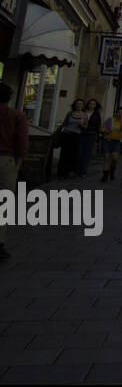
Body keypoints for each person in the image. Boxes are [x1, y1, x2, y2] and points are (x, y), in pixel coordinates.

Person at [0, 84, 30, 261]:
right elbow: (22, 140)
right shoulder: (16, 115)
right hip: (6, 160)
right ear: (10, 97)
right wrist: (20, 159)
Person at [57, 99, 86, 179]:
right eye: (77, 104)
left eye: (81, 104)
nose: (79, 105)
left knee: (73, 154)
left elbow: (86, 126)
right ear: (75, 105)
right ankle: (61, 172)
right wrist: (64, 129)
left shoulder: (84, 115)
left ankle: (70, 171)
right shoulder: (70, 113)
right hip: (67, 135)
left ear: (83, 106)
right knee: (64, 154)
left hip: (76, 136)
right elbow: (64, 123)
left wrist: (82, 126)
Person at [100, 106, 122, 182]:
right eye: (119, 112)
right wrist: (105, 130)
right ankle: (105, 175)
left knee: (115, 158)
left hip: (117, 142)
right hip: (108, 140)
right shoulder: (110, 120)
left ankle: (112, 170)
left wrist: (121, 119)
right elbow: (102, 128)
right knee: (106, 157)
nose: (120, 114)